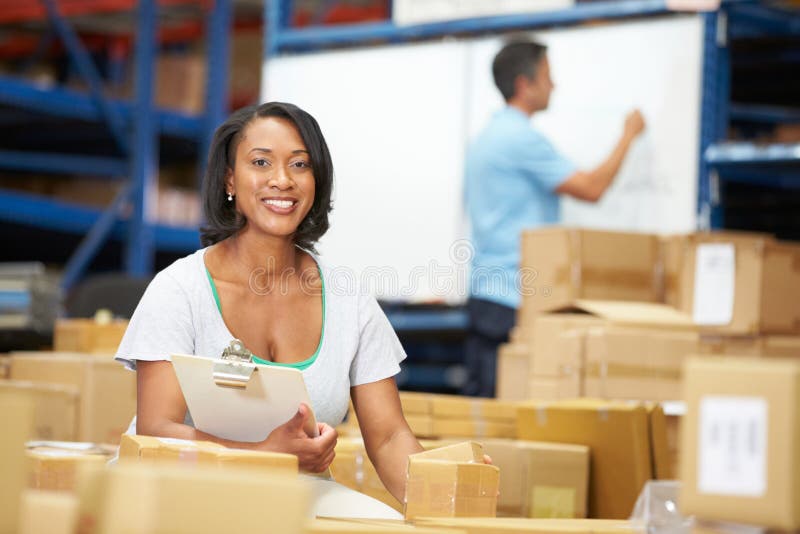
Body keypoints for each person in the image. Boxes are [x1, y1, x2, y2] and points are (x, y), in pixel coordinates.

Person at [115, 101, 425, 501]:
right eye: (261, 163)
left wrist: (445, 487)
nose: (282, 180)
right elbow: (158, 430)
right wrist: (264, 455)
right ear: (229, 180)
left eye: (300, 165)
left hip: (294, 494)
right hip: (179, 491)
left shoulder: (349, 299)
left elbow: (387, 437)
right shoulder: (179, 289)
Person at [463, 39, 646, 398]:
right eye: (548, 76)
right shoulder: (520, 139)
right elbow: (592, 188)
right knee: (510, 413)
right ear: (523, 84)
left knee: (486, 414)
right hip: (511, 298)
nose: (554, 85)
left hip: (488, 294)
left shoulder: (487, 137)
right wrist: (629, 135)